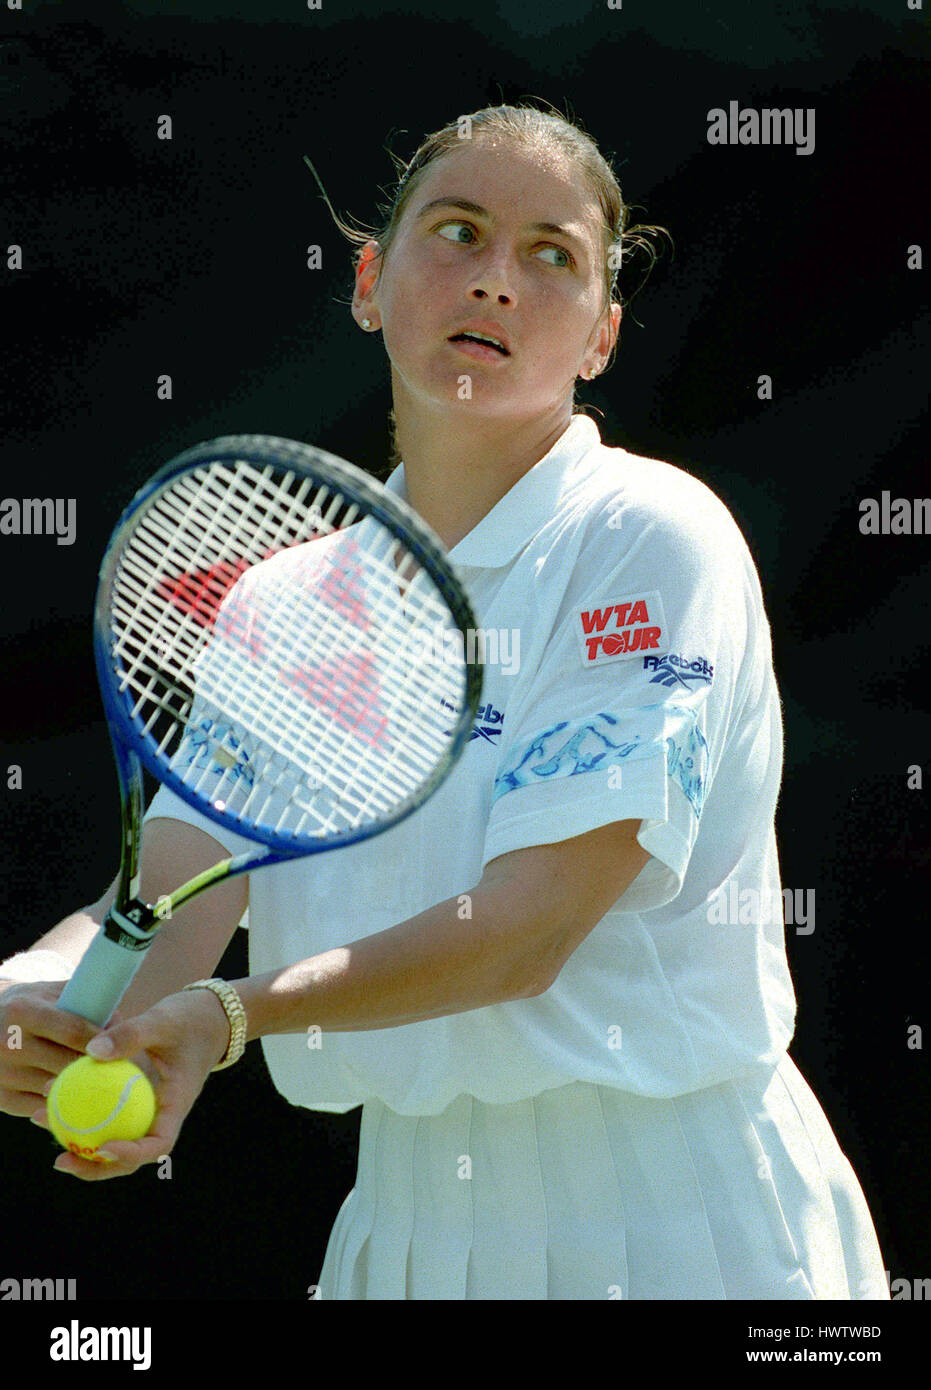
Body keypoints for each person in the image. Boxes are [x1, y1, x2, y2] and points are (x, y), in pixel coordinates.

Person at [0, 102, 889, 1301]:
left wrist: (230, 1015)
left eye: (552, 255)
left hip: (690, 1224)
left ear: (602, 337)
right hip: (407, 1233)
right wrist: (38, 996)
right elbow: (165, 901)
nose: (497, 282)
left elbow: (525, 929)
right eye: (457, 232)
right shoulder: (281, 607)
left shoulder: (650, 538)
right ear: (369, 282)